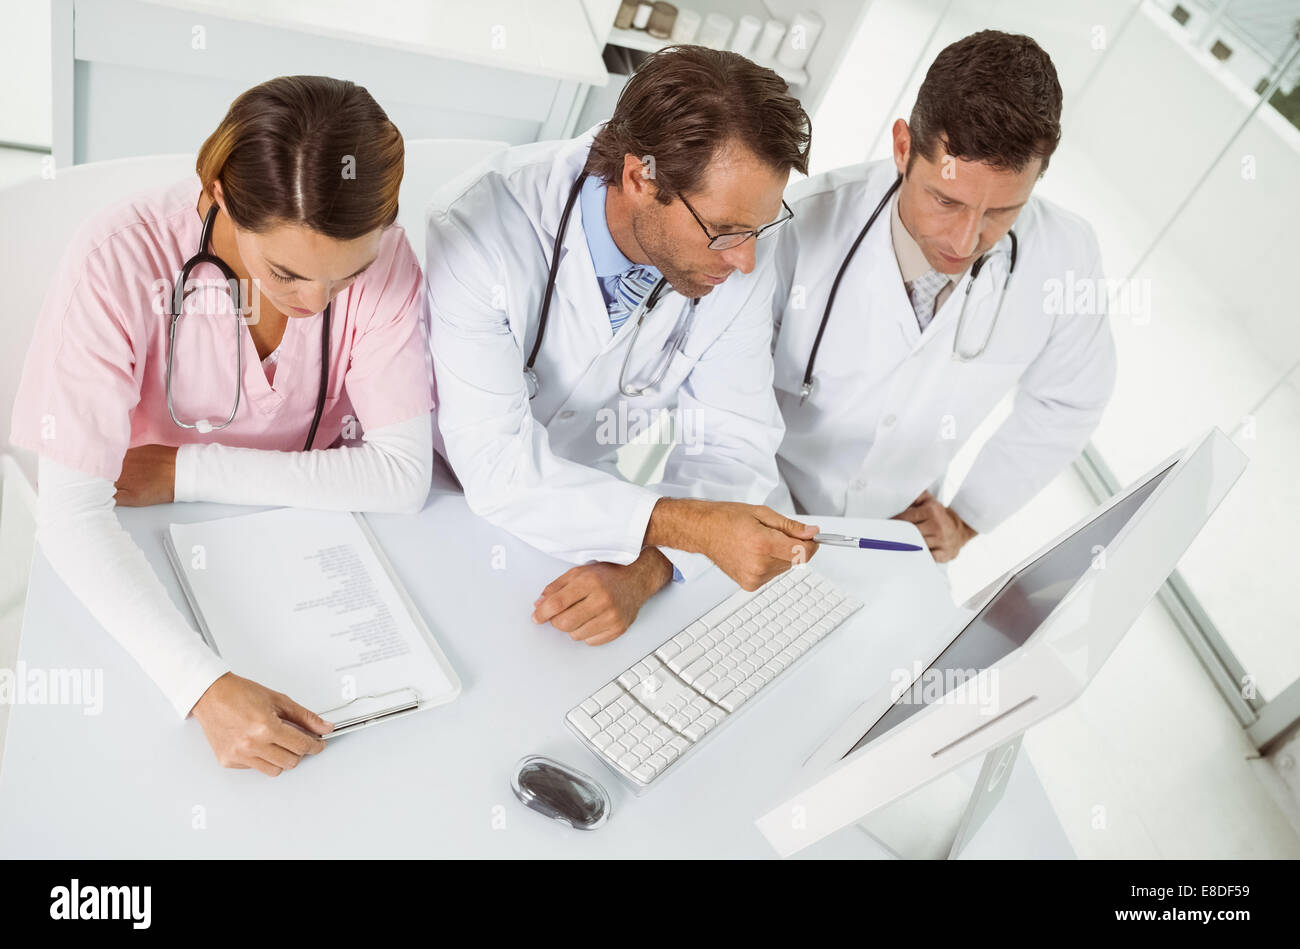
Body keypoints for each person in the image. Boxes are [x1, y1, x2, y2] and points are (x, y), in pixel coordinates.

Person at [10, 76, 435, 775]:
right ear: (215, 194)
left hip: (305, 539)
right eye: (288, 272)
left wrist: (186, 469)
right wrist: (201, 686)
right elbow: (71, 514)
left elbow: (400, 476)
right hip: (139, 547)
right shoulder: (117, 259)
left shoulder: (388, 255)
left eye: (348, 276)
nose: (317, 303)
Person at [427, 45, 820, 646]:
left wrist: (648, 566)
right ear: (641, 178)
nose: (745, 260)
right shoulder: (481, 235)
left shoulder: (737, 254)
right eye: (725, 232)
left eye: (759, 228)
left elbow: (734, 445)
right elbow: (499, 470)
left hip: (587, 537)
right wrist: (689, 527)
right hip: (442, 501)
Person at [771, 30, 1116, 562]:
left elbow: (1068, 401)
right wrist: (766, 520)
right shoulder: (801, 223)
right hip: (757, 505)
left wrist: (967, 519)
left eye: (1002, 212)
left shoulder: (1064, 256)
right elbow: (726, 392)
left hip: (897, 540)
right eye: (946, 199)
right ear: (904, 148)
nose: (964, 241)